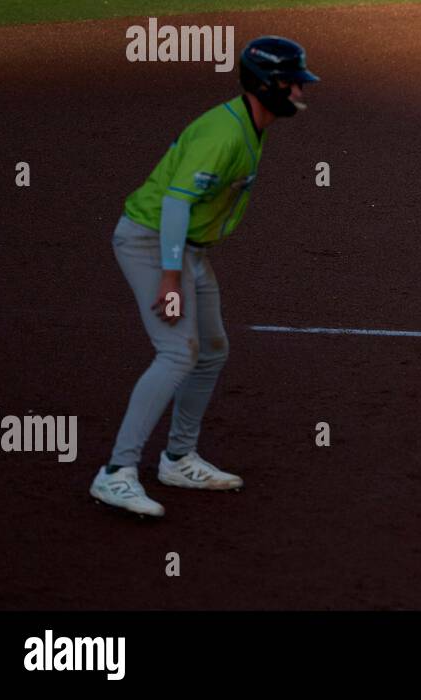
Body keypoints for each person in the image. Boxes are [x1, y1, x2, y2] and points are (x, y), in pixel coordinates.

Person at [89, 36, 319, 517]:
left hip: (185, 249)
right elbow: (175, 204)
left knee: (211, 350)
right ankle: (116, 473)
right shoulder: (225, 135)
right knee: (176, 352)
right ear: (265, 85)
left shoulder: (252, 125)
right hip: (153, 241)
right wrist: (170, 278)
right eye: (292, 82)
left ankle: (177, 459)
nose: (300, 90)